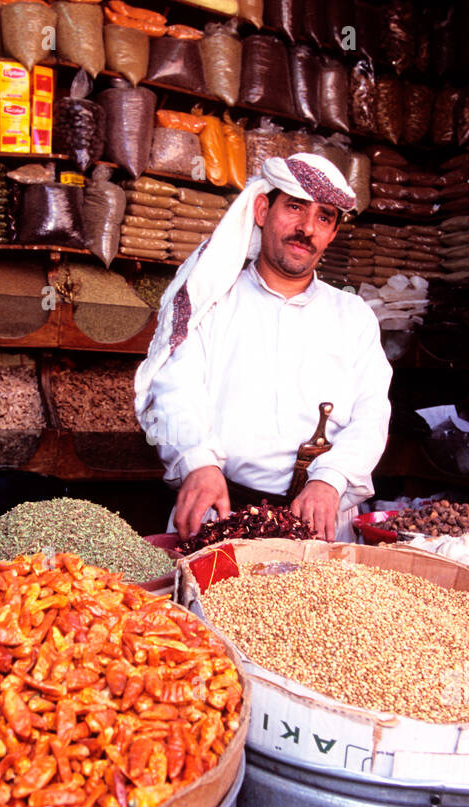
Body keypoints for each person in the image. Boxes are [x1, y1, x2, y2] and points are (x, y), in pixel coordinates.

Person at [134, 153, 392, 543]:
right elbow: (175, 390)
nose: (307, 228)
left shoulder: (353, 315)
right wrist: (198, 462)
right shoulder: (212, 299)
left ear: (333, 233)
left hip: (321, 522)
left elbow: (372, 416)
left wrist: (332, 480)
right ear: (261, 209)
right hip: (220, 515)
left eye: (324, 217)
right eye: (294, 207)